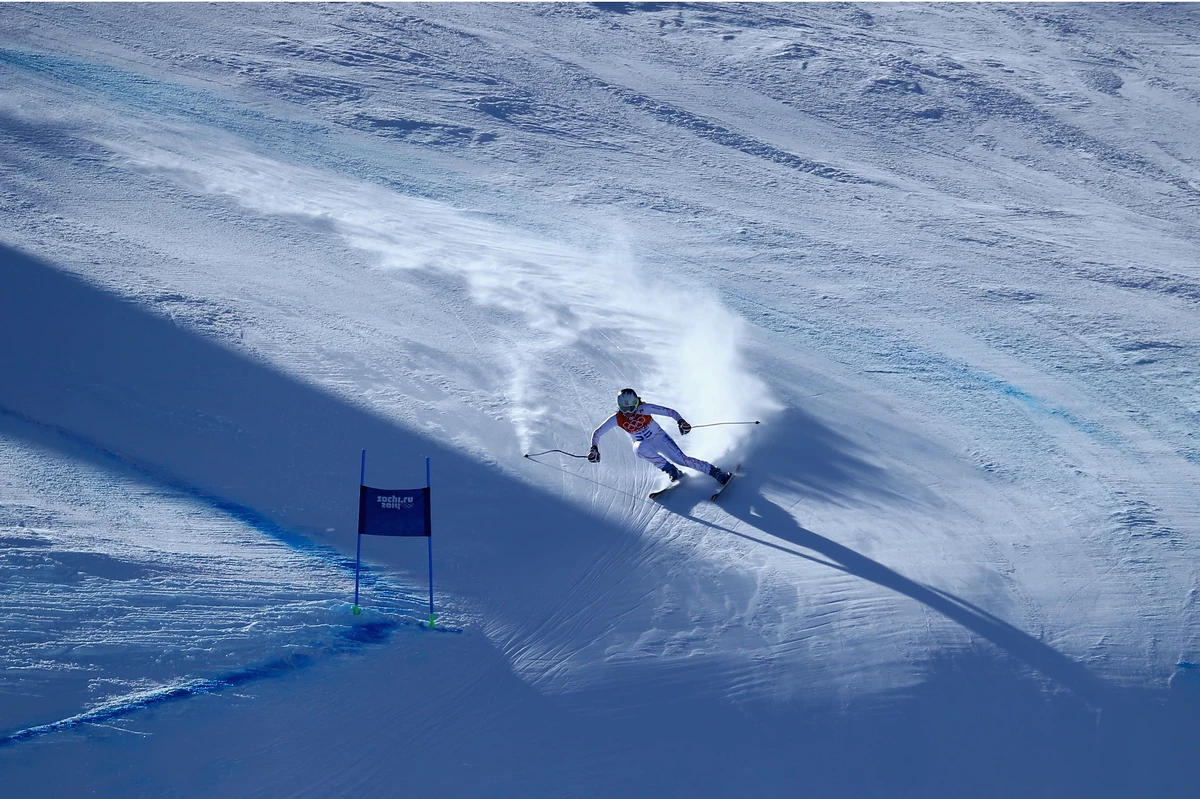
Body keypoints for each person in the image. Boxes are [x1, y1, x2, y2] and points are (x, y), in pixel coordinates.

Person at [589, 388, 732, 486]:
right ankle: (671, 470)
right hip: (644, 444)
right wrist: (594, 448)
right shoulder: (617, 419)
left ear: (637, 404)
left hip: (659, 438)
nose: (628, 413)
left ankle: (715, 472)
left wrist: (681, 421)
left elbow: (670, 412)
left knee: (682, 460)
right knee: (638, 448)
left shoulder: (644, 409)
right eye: (624, 409)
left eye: (631, 408)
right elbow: (597, 433)